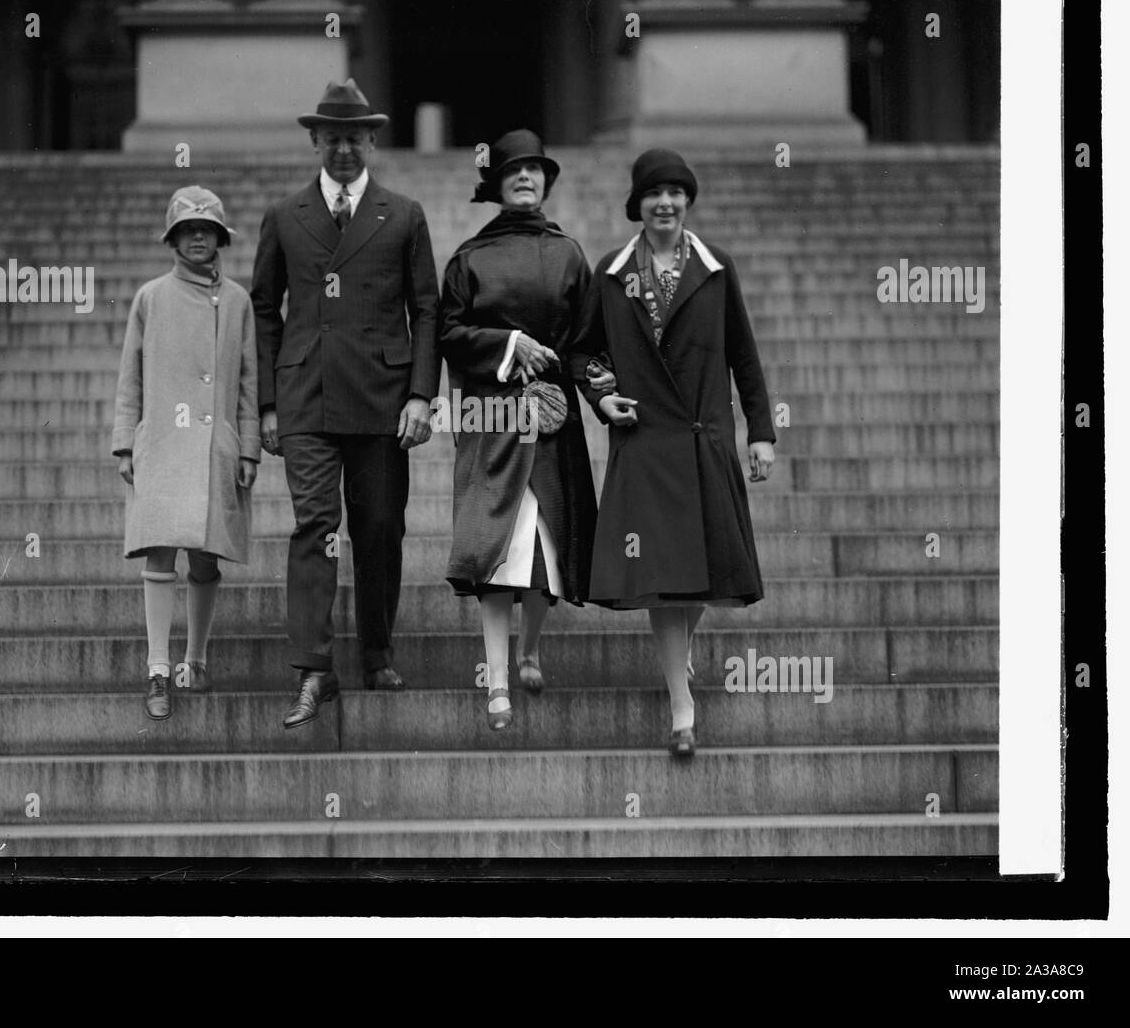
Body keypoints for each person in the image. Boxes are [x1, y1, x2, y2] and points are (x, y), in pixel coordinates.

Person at [570, 149, 776, 757]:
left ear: (687, 202)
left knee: (700, 576)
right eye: (654, 194)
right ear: (638, 204)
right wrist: (602, 398)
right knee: (664, 582)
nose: (665, 203)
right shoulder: (611, 272)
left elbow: (744, 354)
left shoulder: (715, 269)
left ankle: (679, 661)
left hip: (703, 437)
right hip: (644, 442)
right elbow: (583, 353)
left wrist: (760, 431)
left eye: (675, 193)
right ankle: (681, 706)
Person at [251, 79, 440, 729]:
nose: (342, 149)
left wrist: (422, 393)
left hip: (383, 399)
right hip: (306, 396)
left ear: (371, 140)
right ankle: (312, 668)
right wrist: (268, 404)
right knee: (313, 527)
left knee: (380, 526)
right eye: (331, 138)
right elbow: (263, 309)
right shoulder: (284, 216)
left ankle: (378, 650)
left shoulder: (404, 213)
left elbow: (427, 308)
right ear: (315, 141)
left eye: (353, 138)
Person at [440, 129, 607, 731]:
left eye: (535, 170)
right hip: (492, 419)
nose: (526, 178)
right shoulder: (468, 259)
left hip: (552, 415)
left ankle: (531, 645)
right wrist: (509, 344)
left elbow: (588, 342)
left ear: (546, 182)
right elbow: (448, 334)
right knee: (497, 550)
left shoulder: (569, 255)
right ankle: (498, 684)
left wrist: (603, 397)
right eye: (514, 171)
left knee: (545, 549)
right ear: (497, 185)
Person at [112, 186, 260, 721]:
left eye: (207, 230)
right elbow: (131, 373)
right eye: (187, 229)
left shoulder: (239, 301)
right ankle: (157, 666)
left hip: (215, 444)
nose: (198, 237)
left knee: (205, 552)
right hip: (163, 444)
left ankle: (194, 660)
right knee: (160, 549)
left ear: (220, 239)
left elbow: (248, 380)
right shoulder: (151, 297)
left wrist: (247, 447)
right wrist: (125, 441)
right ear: (172, 239)